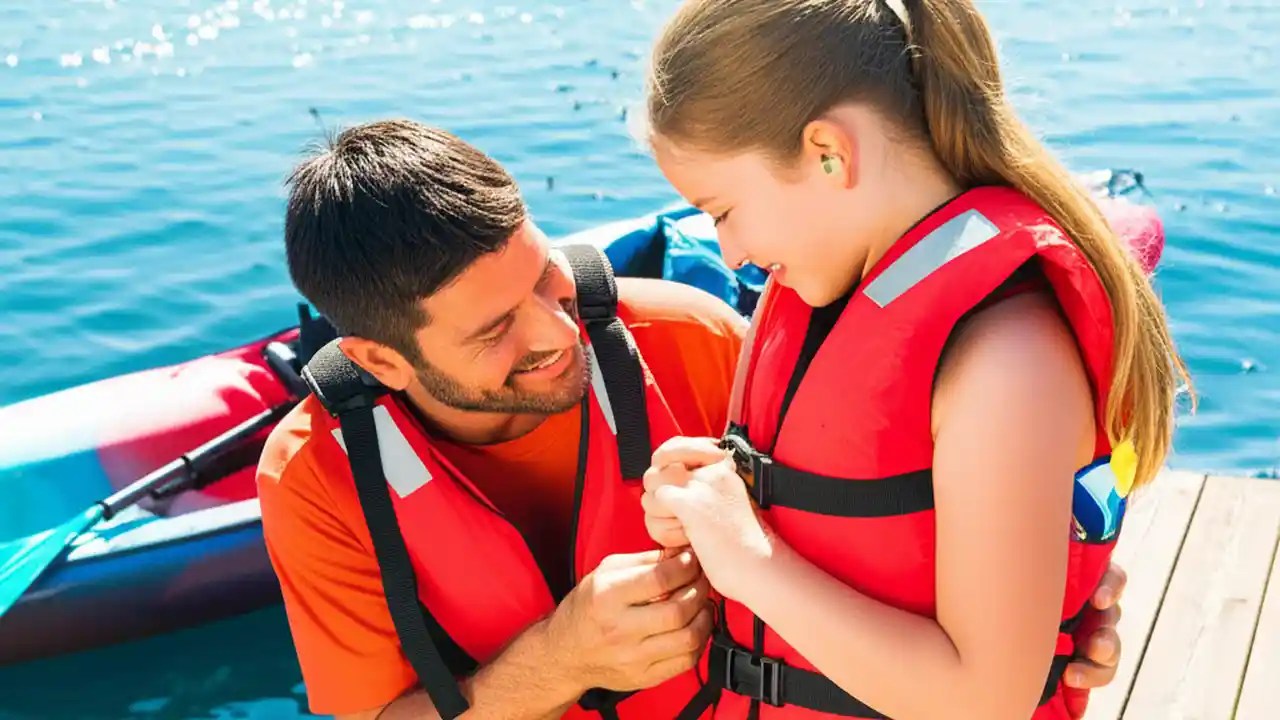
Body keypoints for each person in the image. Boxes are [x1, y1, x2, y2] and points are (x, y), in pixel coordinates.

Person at [256, 119, 1130, 720]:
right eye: (494, 330)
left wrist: (1048, 597)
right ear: (380, 360)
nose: (558, 333)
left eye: (544, 277)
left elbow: (902, 521)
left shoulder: (693, 337)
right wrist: (561, 663)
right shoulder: (314, 478)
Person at [636, 1, 1190, 720]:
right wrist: (719, 497)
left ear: (829, 152)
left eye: (721, 210)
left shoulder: (1004, 358)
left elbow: (984, 702)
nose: (730, 253)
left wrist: (747, 562)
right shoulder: (825, 289)